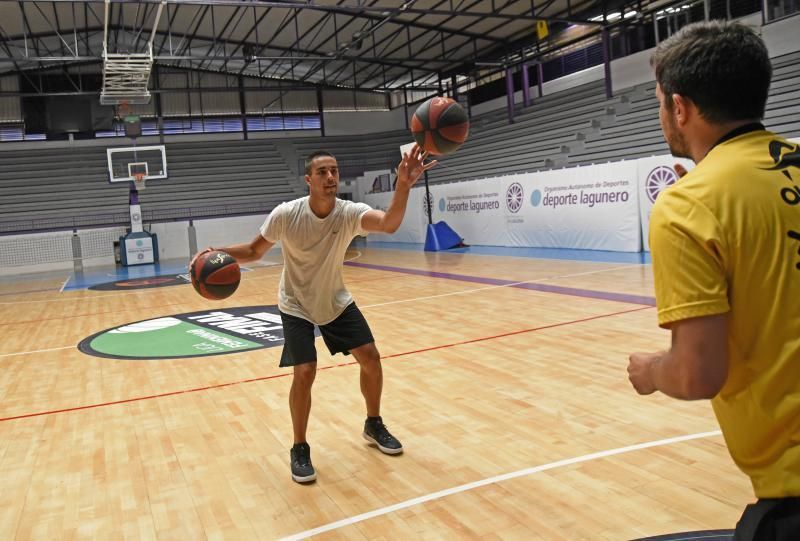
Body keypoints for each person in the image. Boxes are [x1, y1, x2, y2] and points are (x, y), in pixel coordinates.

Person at [626, 20, 800, 539]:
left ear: (680, 107)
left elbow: (696, 374)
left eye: (660, 103)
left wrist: (652, 371)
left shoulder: (689, 207)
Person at [193, 145, 436, 483]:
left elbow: (389, 224)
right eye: (322, 172)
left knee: (371, 357)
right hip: (295, 303)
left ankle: (373, 424)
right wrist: (215, 252)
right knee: (305, 371)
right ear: (308, 179)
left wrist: (404, 186)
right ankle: (299, 447)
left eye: (334, 170)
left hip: (334, 299)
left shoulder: (349, 213)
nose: (330, 176)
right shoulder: (286, 214)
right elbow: (253, 250)